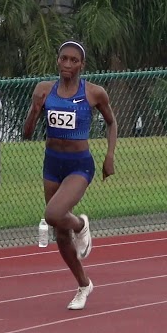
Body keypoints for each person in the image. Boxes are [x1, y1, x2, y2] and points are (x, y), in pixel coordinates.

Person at [22, 40, 118, 309]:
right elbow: (27, 133)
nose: (67, 64)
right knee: (59, 234)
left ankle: (80, 225)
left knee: (53, 214)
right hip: (52, 163)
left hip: (79, 164)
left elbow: (111, 123)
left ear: (81, 65)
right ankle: (84, 285)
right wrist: (34, 110)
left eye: (73, 60)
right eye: (63, 59)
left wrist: (109, 156)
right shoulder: (43, 90)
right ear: (57, 61)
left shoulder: (94, 93)